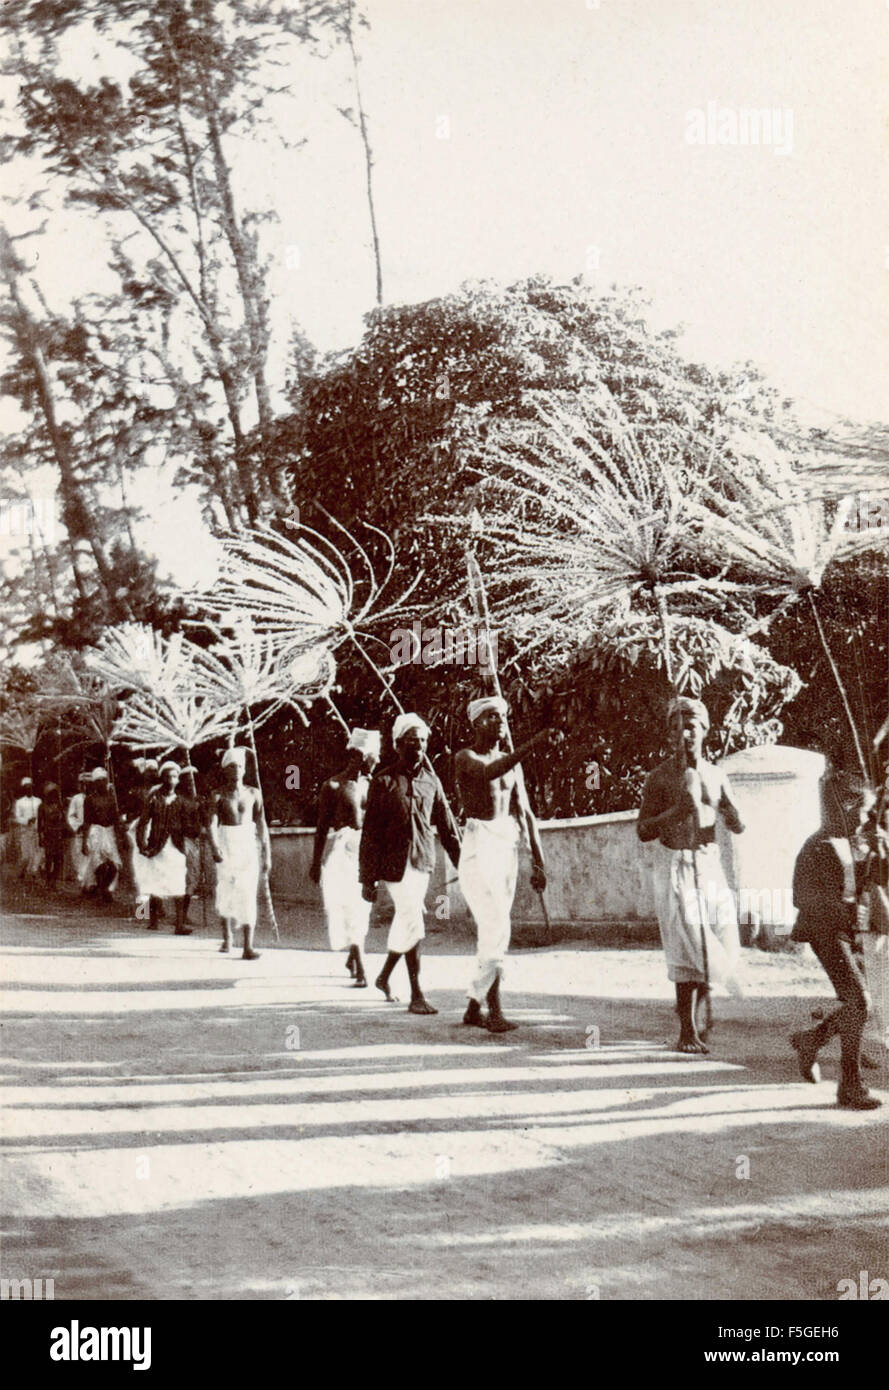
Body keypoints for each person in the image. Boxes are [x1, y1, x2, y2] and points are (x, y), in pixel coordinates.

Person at [637, 696, 744, 1054]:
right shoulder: (660, 777)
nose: (684, 733)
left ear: (705, 730)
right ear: (668, 733)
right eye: (676, 727)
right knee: (688, 948)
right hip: (675, 868)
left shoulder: (716, 774)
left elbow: (737, 824)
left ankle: (696, 1013)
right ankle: (686, 1030)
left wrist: (728, 809)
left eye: (691, 726)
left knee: (719, 941)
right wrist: (676, 811)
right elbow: (643, 830)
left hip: (708, 865)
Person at [455, 696, 555, 1032]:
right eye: (491, 717)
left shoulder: (513, 765)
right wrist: (534, 744)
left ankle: (473, 1004)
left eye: (502, 717)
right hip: (478, 846)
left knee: (495, 927)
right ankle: (493, 1011)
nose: (500, 723)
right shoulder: (465, 758)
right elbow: (487, 773)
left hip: (506, 844)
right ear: (476, 723)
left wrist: (537, 861)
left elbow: (525, 813)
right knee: (495, 925)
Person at [789, 773, 882, 1110]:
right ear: (845, 806)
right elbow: (802, 898)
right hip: (824, 934)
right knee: (859, 1003)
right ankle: (850, 1085)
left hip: (846, 934)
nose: (868, 818)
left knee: (855, 1004)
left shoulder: (855, 842)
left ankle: (812, 1040)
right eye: (864, 810)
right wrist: (848, 911)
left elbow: (870, 879)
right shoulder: (817, 846)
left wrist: (880, 854)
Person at [359, 713, 461, 1015]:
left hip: (422, 862)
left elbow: (447, 828)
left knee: (407, 920)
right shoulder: (383, 781)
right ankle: (417, 994)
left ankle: (384, 976)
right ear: (398, 744)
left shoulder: (432, 781)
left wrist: (465, 866)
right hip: (393, 866)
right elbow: (371, 833)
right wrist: (368, 878)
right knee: (413, 918)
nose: (418, 745)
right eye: (411, 740)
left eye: (423, 740)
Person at [310, 729, 382, 988]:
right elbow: (321, 828)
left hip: (367, 853)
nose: (378, 761)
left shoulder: (373, 785)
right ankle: (362, 968)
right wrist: (316, 862)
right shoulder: (334, 786)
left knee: (364, 907)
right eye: (374, 757)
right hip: (343, 856)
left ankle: (354, 955)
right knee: (352, 906)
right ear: (361, 756)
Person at [208, 746, 270, 960]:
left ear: (245, 770)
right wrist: (214, 847)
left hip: (247, 845)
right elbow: (211, 823)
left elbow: (262, 824)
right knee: (226, 890)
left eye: (240, 766)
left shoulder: (254, 793)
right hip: (226, 843)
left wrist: (267, 853)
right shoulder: (217, 795)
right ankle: (227, 937)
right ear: (225, 769)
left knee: (247, 893)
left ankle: (248, 946)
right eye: (232, 766)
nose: (237, 770)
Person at [135, 761, 192, 935]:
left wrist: (199, 812)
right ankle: (152, 921)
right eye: (168, 776)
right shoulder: (154, 799)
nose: (171, 780)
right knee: (154, 881)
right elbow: (143, 823)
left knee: (178, 882)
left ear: (178, 780)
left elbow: (190, 825)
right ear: (163, 778)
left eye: (174, 777)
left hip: (176, 846)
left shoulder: (182, 801)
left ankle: (179, 924)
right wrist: (141, 844)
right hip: (156, 846)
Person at [81, 767, 122, 904]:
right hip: (96, 832)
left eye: (103, 780)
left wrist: (120, 838)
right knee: (100, 865)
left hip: (109, 833)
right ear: (94, 783)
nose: (101, 783)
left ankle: (103, 889)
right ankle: (101, 892)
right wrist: (84, 841)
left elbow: (116, 819)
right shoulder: (89, 799)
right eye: (98, 781)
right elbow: (87, 821)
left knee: (114, 865)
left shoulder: (111, 799)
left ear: (106, 781)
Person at [10, 777, 42, 880]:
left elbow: (42, 815)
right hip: (25, 831)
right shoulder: (20, 802)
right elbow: (17, 817)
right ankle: (22, 871)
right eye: (26, 787)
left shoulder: (38, 800)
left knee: (37, 852)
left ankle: (34, 872)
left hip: (37, 830)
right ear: (24, 788)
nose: (29, 789)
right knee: (26, 855)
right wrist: (27, 820)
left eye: (30, 787)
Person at [38, 782, 65, 888]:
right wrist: (40, 837)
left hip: (58, 834)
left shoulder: (59, 805)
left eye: (55, 793)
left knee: (58, 859)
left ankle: (54, 880)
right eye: (51, 793)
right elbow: (40, 823)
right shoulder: (42, 806)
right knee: (49, 858)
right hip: (48, 834)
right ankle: (48, 879)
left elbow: (63, 820)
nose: (53, 796)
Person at [66, 773, 91, 890]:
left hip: (93, 832)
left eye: (88, 784)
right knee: (79, 857)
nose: (85, 786)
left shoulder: (94, 797)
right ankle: (83, 881)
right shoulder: (76, 799)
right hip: (80, 832)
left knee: (92, 857)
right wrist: (77, 826)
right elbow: (71, 816)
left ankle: (89, 883)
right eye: (83, 784)